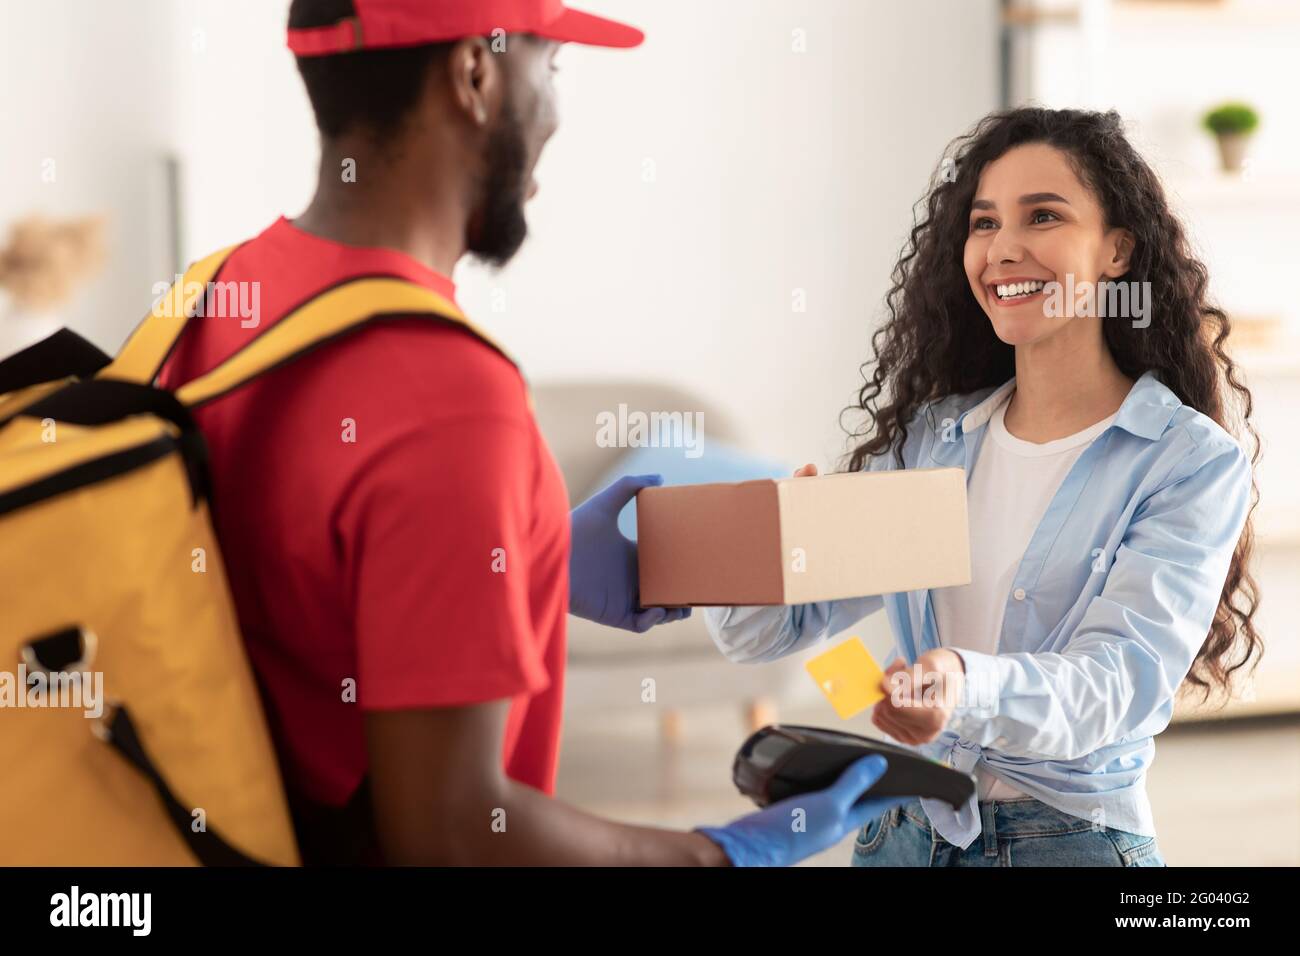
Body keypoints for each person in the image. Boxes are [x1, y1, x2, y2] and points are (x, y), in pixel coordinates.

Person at [157, 0, 910, 866]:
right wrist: (721, 853)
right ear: (475, 75)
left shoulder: (214, 297)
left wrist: (532, 567)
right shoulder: (450, 395)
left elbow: (294, 611)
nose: (555, 113)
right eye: (549, 69)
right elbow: (451, 831)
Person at [705, 107, 1260, 867]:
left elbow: (1115, 684)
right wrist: (761, 546)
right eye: (984, 222)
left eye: (1044, 216)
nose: (1003, 249)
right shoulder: (934, 440)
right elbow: (764, 634)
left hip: (1067, 842)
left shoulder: (1187, 462)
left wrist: (959, 682)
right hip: (899, 835)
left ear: (1117, 251)